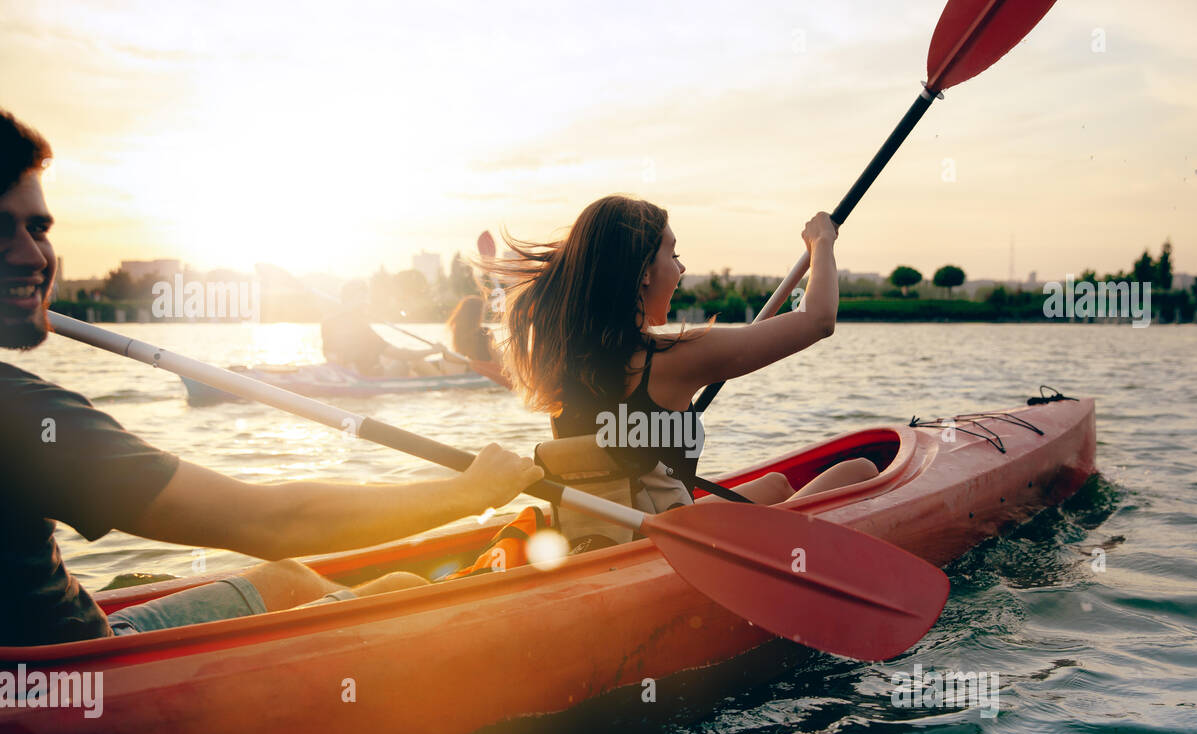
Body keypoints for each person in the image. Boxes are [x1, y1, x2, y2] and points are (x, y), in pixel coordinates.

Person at [0, 111, 544, 646]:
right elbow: (274, 523)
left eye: (38, 228)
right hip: (76, 674)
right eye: (3, 230)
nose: (31, 255)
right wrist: (469, 493)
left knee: (290, 579)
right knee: (401, 586)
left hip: (45, 653)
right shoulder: (27, 416)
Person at [488, 195, 877, 511]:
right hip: (664, 539)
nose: (681, 267)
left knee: (776, 484)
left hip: (613, 530)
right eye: (672, 254)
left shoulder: (560, 360)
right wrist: (821, 241)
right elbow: (818, 320)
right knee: (858, 469)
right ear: (643, 272)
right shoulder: (674, 358)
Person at [319, 280, 435, 377]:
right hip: (372, 376)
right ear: (357, 300)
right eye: (364, 298)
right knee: (415, 360)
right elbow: (402, 354)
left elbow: (329, 354)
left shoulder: (328, 322)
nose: (367, 302)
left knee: (386, 358)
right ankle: (442, 382)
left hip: (348, 372)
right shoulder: (362, 328)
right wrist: (434, 351)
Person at [446, 295, 496, 363]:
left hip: (468, 369)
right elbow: (496, 356)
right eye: (483, 310)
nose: (484, 313)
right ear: (478, 313)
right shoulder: (486, 332)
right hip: (485, 369)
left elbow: (459, 355)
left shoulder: (458, 331)